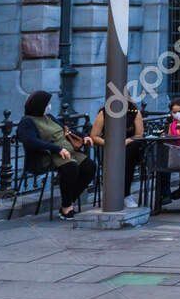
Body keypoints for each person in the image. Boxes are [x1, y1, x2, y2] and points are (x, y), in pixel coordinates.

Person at [16, 91, 95, 219]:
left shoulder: (50, 117)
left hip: (69, 151)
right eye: (47, 104)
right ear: (39, 105)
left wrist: (84, 136)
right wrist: (56, 148)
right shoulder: (27, 121)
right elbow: (30, 141)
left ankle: (69, 200)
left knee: (89, 167)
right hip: (48, 155)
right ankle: (66, 208)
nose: (49, 106)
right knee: (71, 168)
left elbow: (67, 130)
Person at [88, 100, 145, 208]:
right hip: (110, 148)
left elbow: (139, 135)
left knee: (128, 154)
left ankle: (125, 194)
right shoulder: (104, 112)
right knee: (115, 158)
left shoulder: (134, 112)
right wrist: (112, 145)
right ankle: (113, 194)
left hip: (130, 148)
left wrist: (127, 141)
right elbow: (94, 136)